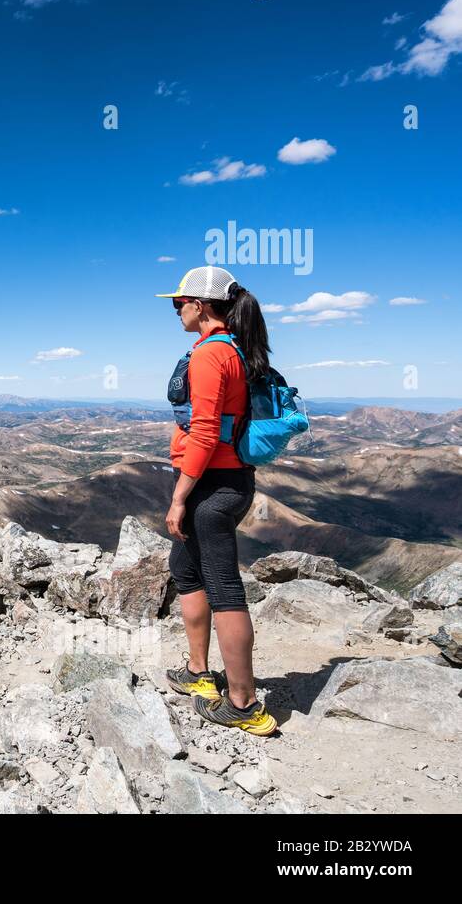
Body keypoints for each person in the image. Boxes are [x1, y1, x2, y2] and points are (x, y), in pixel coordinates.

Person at [156, 266, 277, 736]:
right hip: (229, 480)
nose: (176, 310)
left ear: (200, 305)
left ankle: (244, 703)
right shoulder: (235, 350)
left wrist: (179, 498)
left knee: (225, 589)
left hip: (213, 485)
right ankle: (199, 673)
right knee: (186, 570)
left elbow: (205, 432)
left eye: (178, 302)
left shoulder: (211, 355)